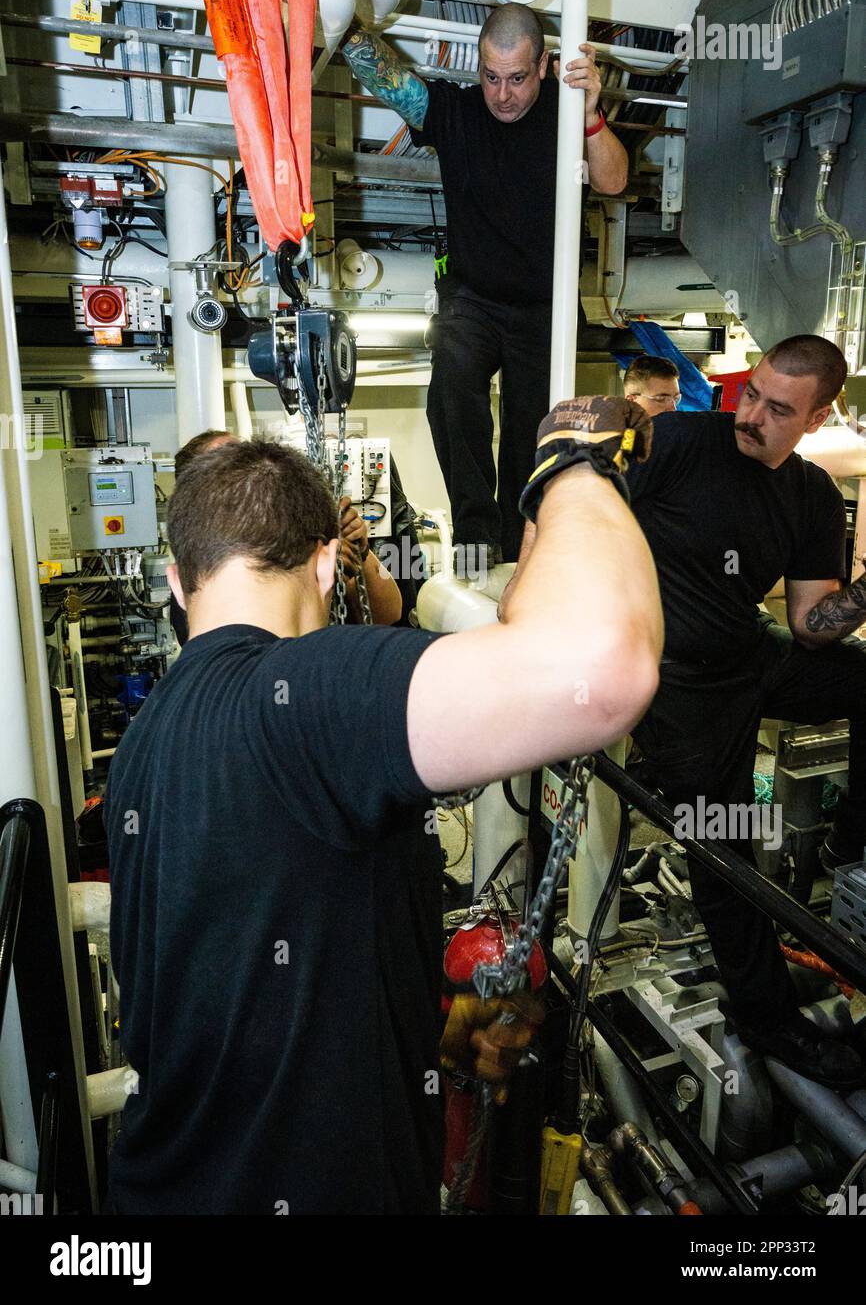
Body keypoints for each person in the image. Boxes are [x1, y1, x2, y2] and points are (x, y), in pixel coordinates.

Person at [103, 401, 662, 1214]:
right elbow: (606, 671)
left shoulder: (147, 741)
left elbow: (236, 965)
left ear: (176, 580)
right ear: (329, 566)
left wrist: (412, 1030)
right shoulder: (304, 694)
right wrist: (573, 464)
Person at [504, 336, 866, 1088]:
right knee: (725, 847)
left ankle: (847, 846)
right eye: (751, 393)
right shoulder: (671, 442)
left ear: (819, 415)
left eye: (777, 408)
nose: (752, 413)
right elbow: (565, 485)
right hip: (675, 683)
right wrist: (525, 594)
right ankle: (766, 1019)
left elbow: (808, 623)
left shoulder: (811, 495)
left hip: (755, 655)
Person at [343, 4, 628, 569]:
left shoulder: (567, 110)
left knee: (533, 426)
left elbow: (614, 181)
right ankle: (476, 535)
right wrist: (343, 20)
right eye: (491, 77)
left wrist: (592, 114)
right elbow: (389, 81)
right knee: (451, 387)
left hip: (543, 305)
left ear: (542, 65)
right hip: (470, 297)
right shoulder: (457, 112)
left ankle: (520, 540)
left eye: (517, 78)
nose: (503, 95)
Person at [169, 429, 402, 641]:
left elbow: (389, 614)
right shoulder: (203, 569)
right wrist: (313, 577)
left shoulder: (299, 536)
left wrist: (361, 552)